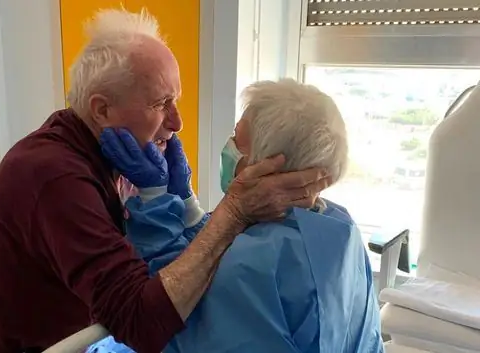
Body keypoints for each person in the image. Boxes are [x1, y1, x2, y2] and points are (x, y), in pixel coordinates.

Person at [0, 8, 331, 353]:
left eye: (175, 101)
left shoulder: (110, 151)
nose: (177, 122)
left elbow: (171, 261)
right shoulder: (56, 178)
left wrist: (184, 202)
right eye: (160, 104)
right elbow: (144, 322)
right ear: (102, 109)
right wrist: (232, 213)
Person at [89, 79, 384, 353]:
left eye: (236, 139)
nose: (228, 147)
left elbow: (171, 314)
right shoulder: (338, 226)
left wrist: (154, 201)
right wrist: (189, 208)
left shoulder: (254, 265)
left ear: (265, 168)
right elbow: (227, 245)